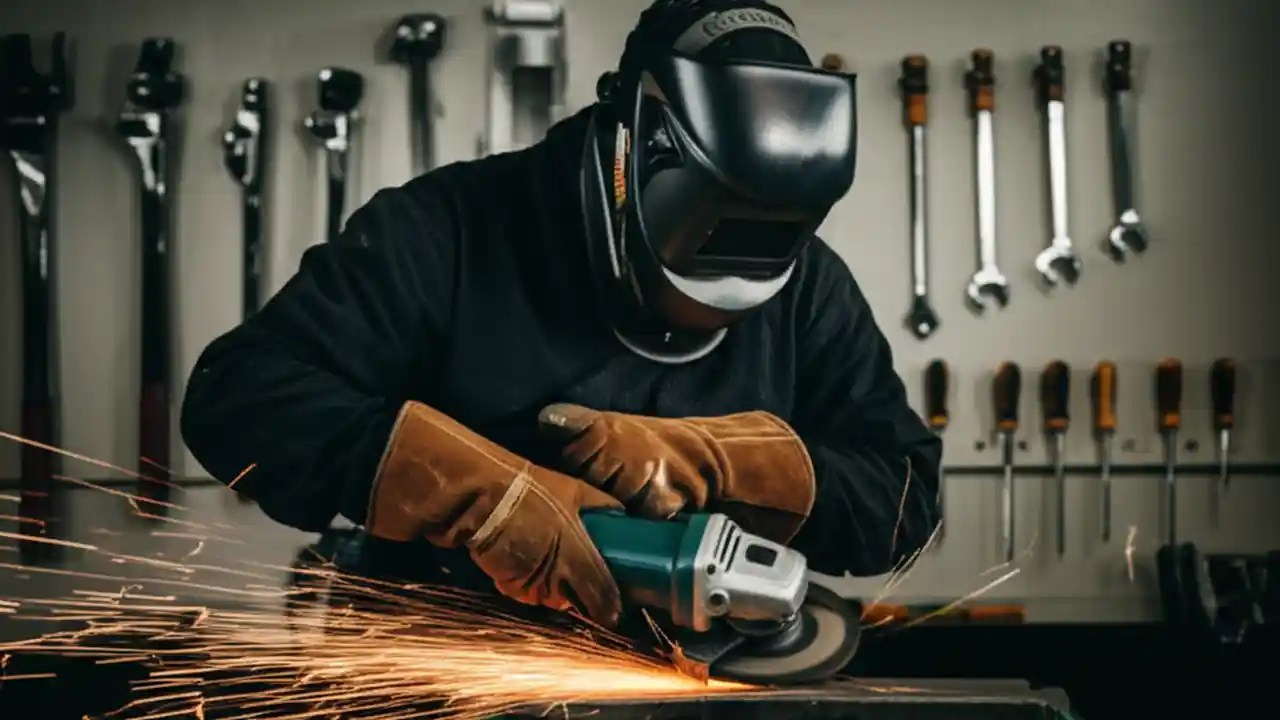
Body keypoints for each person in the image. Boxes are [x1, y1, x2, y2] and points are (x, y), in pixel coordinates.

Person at [181, 0, 941, 630]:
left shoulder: (808, 287)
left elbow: (903, 495)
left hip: (699, 685)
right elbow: (236, 395)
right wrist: (470, 492)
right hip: (453, 676)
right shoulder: (449, 230)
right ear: (630, 151)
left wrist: (731, 463)